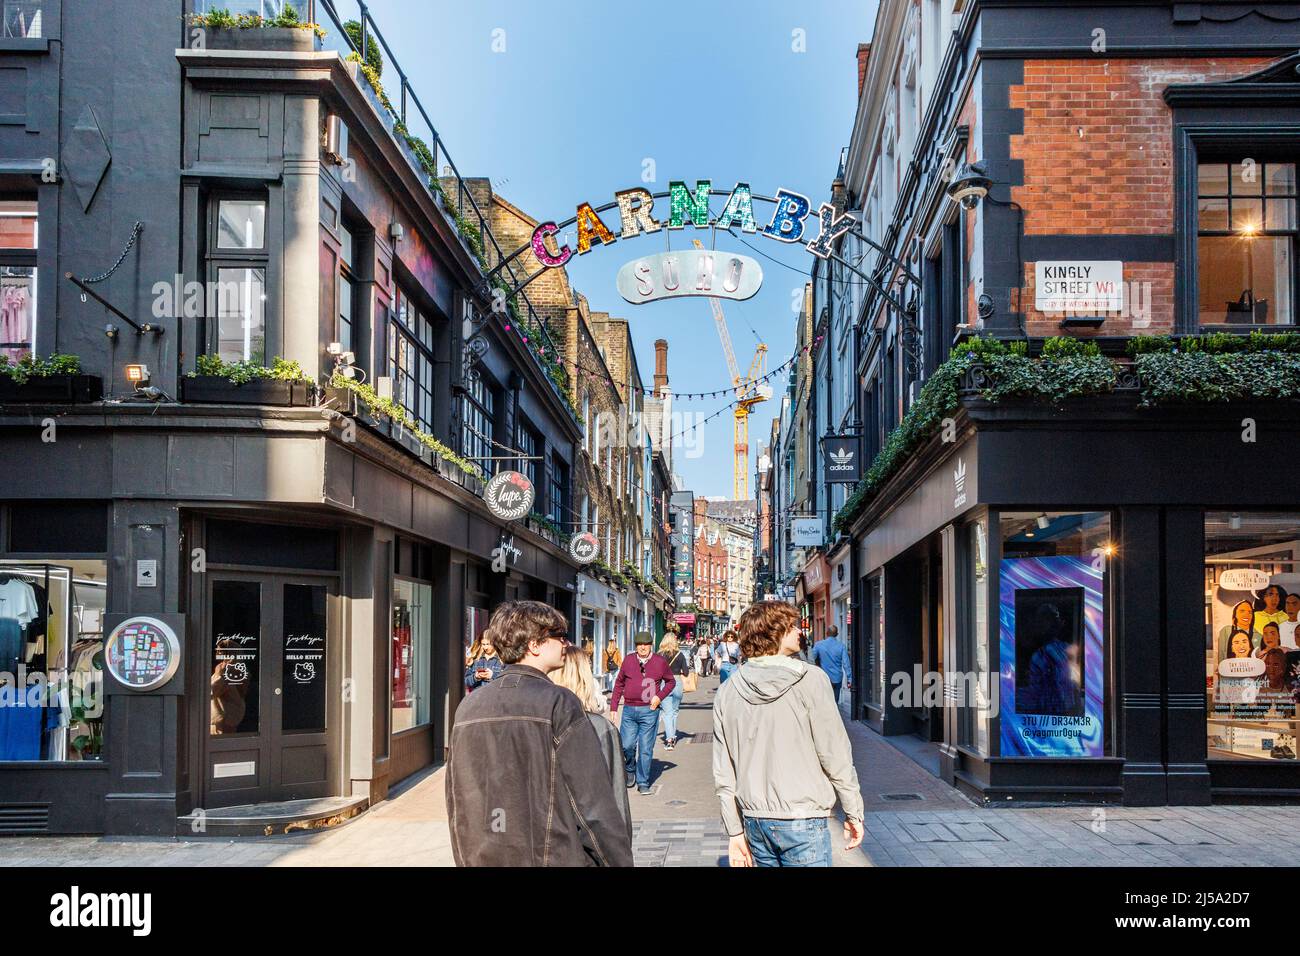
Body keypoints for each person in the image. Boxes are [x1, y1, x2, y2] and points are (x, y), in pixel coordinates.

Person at [445, 600, 633, 867]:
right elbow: (592, 804)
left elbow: (458, 803)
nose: (566, 643)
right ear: (534, 645)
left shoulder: (468, 707)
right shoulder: (559, 702)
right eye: (559, 636)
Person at [713, 600, 865, 868]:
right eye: (792, 626)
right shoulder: (811, 680)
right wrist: (853, 810)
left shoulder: (728, 690)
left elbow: (723, 769)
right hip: (803, 816)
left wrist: (734, 830)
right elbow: (835, 753)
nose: (798, 631)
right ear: (776, 633)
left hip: (755, 819)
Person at [550, 644, 632, 844]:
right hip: (587, 841)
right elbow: (615, 799)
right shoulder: (600, 728)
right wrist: (621, 849)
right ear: (585, 679)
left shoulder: (536, 724)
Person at [610, 632, 676, 794]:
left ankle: (643, 782)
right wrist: (613, 707)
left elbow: (671, 682)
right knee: (626, 745)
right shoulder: (629, 660)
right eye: (639, 645)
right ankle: (630, 769)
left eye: (645, 644)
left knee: (646, 748)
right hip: (629, 710)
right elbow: (619, 684)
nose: (642, 647)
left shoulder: (659, 662)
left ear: (650, 645)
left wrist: (659, 697)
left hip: (649, 711)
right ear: (636, 646)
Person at [657, 635, 690, 750]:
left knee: (667, 713)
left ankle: (669, 740)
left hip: (664, 682)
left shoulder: (659, 655)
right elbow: (686, 672)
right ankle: (672, 736)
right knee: (675, 711)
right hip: (677, 683)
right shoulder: (680, 655)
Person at [811, 624, 852, 704]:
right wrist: (849, 679)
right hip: (837, 678)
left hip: (824, 677)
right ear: (837, 634)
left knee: (824, 702)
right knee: (835, 702)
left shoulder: (818, 645)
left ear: (827, 633)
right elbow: (846, 664)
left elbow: (812, 659)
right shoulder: (841, 646)